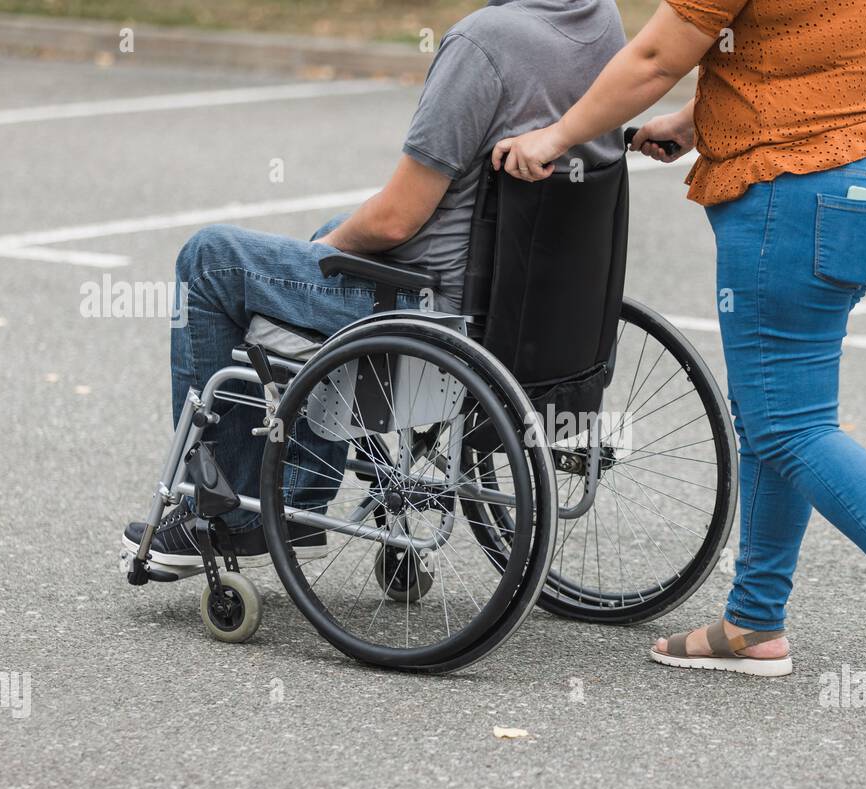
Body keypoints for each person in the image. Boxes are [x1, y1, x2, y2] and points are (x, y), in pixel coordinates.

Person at [493, 0, 866, 708]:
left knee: (789, 428)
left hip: (793, 198)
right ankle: (753, 622)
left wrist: (556, 136)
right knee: (771, 417)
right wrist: (698, 120)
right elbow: (806, 47)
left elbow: (654, 57)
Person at [122, 0, 626, 567]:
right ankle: (298, 493)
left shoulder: (482, 45)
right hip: (531, 305)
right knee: (328, 233)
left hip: (433, 303)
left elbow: (395, 220)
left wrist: (325, 255)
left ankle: (227, 515)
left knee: (210, 260)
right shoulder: (599, 18)